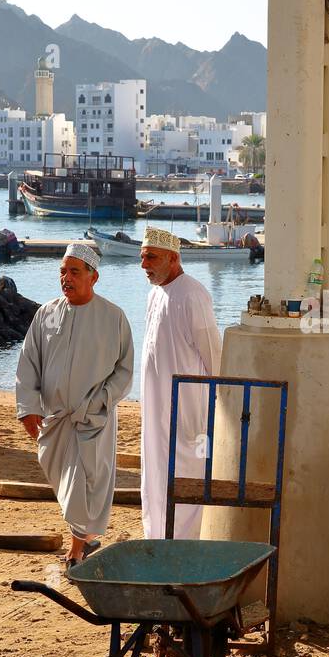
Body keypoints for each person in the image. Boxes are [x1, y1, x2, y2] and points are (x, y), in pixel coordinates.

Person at [15, 243, 134, 567]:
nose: (66, 278)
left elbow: (124, 371)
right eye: (62, 272)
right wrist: (28, 407)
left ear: (93, 277)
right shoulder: (46, 313)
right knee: (64, 480)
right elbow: (28, 364)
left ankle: (77, 547)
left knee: (87, 481)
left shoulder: (113, 317)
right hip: (55, 419)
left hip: (93, 417)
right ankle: (88, 538)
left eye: (74, 272)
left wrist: (101, 401)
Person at [138, 226, 222, 540]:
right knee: (156, 469)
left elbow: (213, 354)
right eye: (142, 257)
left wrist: (221, 399)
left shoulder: (194, 294)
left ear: (173, 258)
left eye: (151, 258)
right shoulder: (153, 294)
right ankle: (157, 537)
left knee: (187, 467)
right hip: (156, 404)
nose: (144, 265)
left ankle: (184, 542)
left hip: (188, 405)